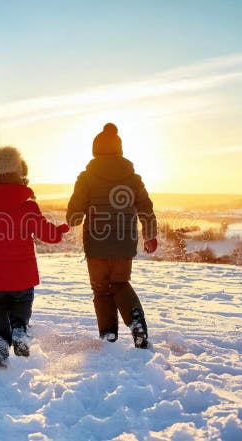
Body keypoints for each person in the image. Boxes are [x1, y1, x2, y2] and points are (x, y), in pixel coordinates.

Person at [0, 146, 70, 368]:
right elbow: (48, 235)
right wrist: (61, 229)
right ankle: (20, 332)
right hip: (23, 276)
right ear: (20, 176)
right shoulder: (28, 207)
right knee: (21, 307)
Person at [66, 123, 158, 348]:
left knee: (101, 289)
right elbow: (146, 208)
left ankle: (108, 336)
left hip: (96, 243)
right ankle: (135, 320)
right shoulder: (133, 178)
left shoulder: (86, 178)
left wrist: (72, 219)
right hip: (124, 244)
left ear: (95, 150)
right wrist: (150, 234)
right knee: (120, 283)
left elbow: (74, 215)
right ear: (119, 149)